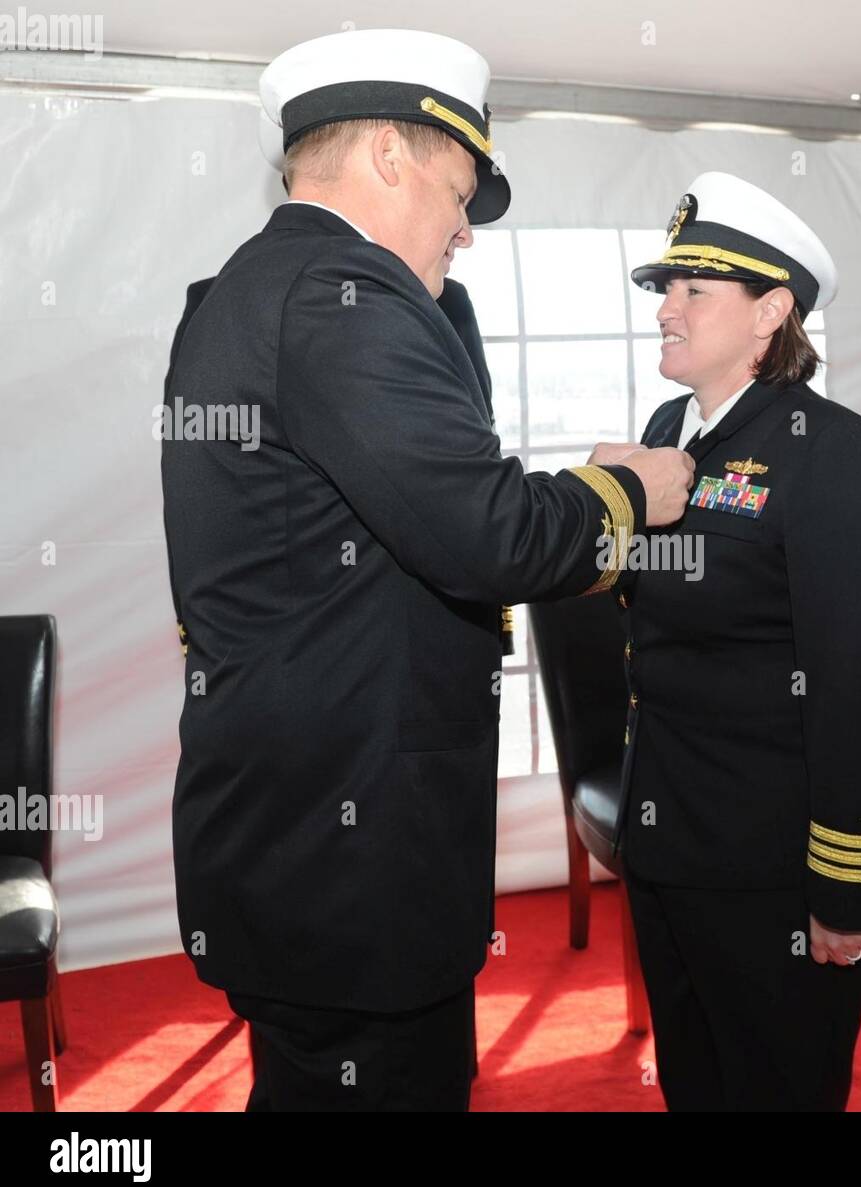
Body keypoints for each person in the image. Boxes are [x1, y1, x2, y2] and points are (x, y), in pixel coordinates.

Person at [160, 28, 693, 1111]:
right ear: (391, 159)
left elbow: (393, 505)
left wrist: (539, 490)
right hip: (352, 850)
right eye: (458, 190)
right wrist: (635, 491)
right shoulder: (343, 296)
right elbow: (490, 536)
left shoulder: (245, 290)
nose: (464, 229)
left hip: (289, 822)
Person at [609, 172, 861, 1110]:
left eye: (694, 290)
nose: (666, 308)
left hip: (768, 871)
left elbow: (859, 691)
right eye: (667, 288)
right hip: (667, 842)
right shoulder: (670, 430)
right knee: (696, 1083)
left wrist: (846, 889)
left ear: (770, 313)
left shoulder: (834, 451)